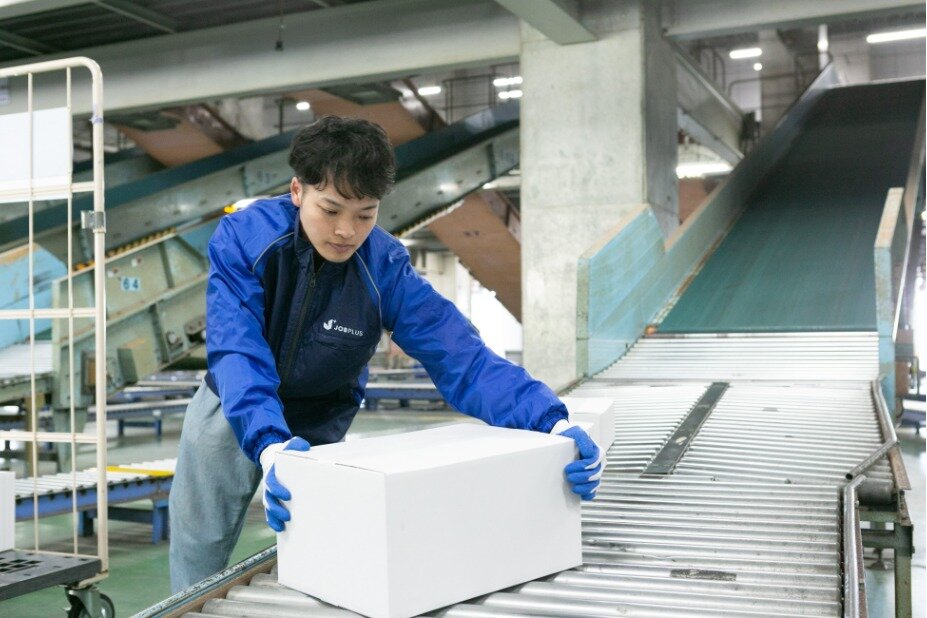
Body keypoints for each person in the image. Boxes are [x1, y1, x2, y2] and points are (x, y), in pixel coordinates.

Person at [168, 116, 605, 593]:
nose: (346, 231)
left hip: (319, 420)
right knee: (198, 548)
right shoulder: (245, 239)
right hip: (232, 406)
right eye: (330, 210)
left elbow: (460, 355)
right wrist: (269, 443)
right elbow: (238, 349)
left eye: (365, 214)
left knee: (316, 556)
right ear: (297, 191)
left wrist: (551, 420)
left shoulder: (384, 266)